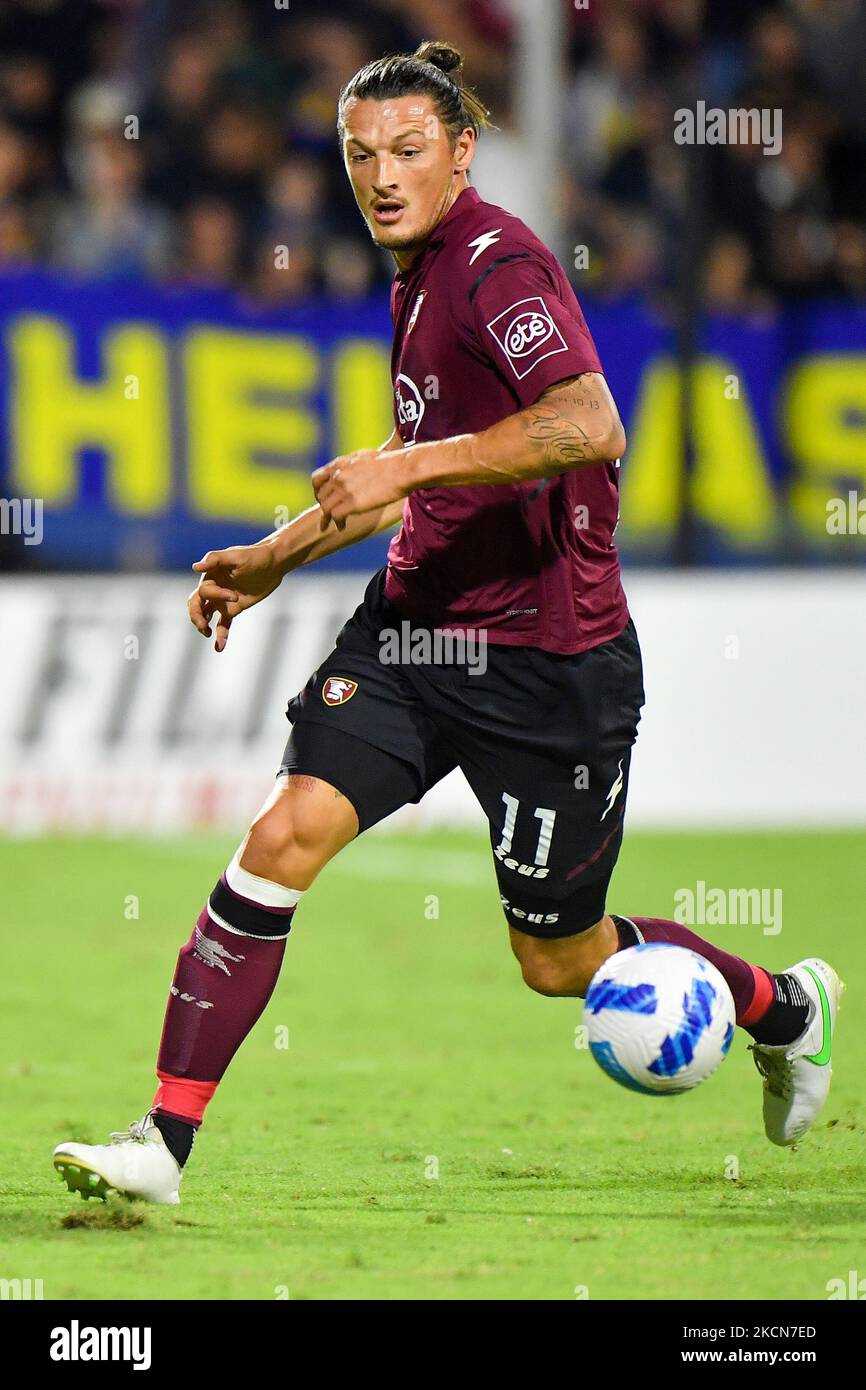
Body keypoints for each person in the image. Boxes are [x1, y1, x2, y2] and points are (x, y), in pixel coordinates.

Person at [53, 41, 841, 1205]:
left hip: (547, 665)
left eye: (408, 151)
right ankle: (159, 1146)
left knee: (554, 957)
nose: (380, 176)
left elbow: (587, 423)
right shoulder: (414, 271)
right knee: (277, 843)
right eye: (360, 155)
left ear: (462, 152)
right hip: (414, 634)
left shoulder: (496, 265)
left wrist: (407, 467)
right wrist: (275, 557)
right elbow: (408, 470)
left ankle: (784, 1003)